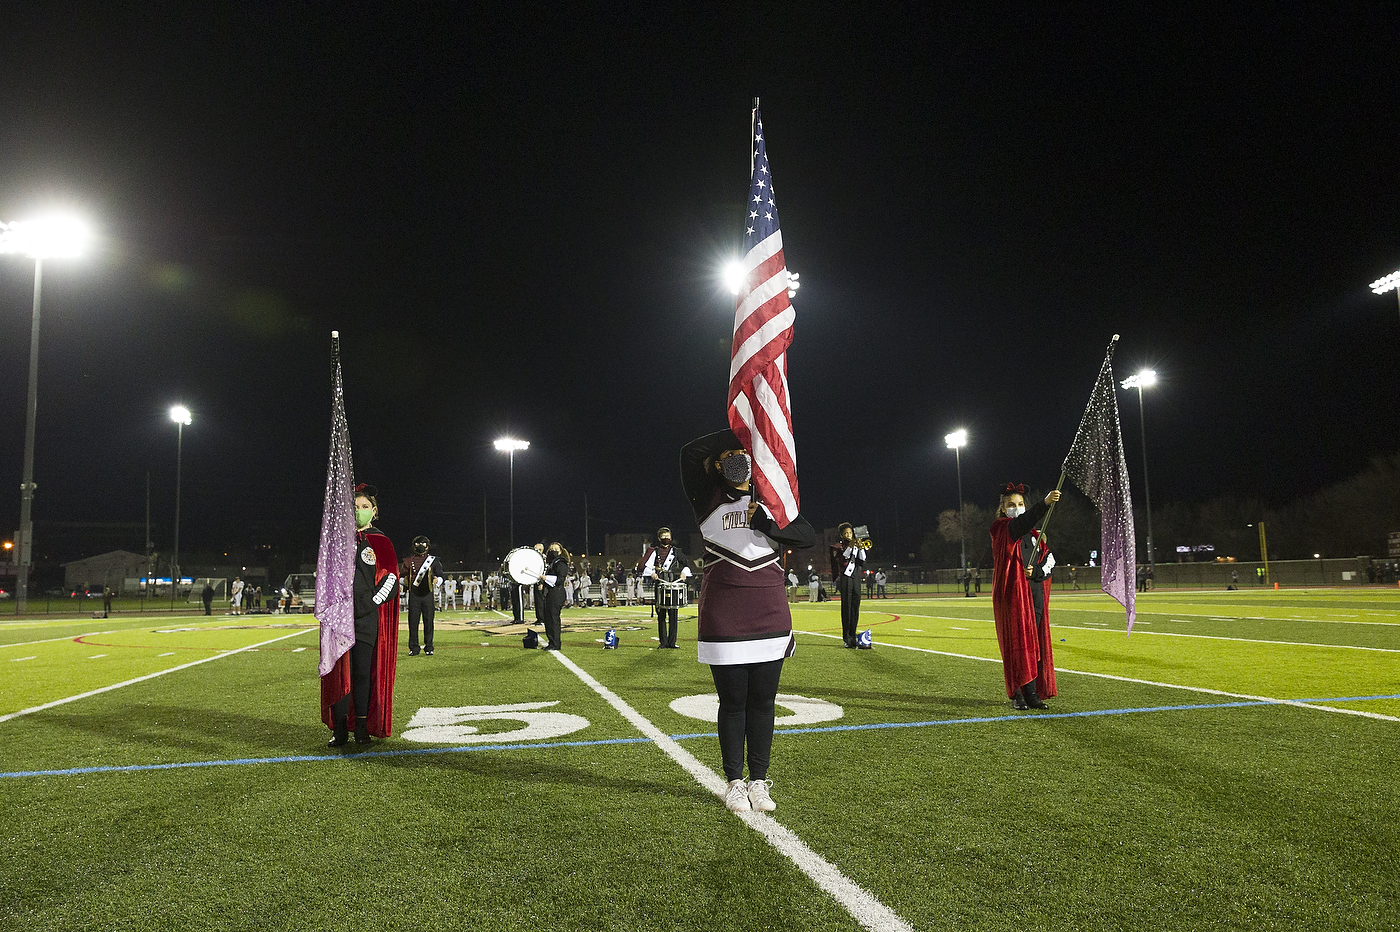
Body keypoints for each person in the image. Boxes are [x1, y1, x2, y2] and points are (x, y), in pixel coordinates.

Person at [682, 429, 816, 813]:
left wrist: (767, 524)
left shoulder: (772, 500)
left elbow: (805, 535)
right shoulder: (706, 497)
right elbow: (688, 453)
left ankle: (759, 780)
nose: (741, 458)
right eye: (731, 454)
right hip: (725, 611)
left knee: (763, 702)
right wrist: (745, 426)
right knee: (733, 702)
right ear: (718, 464)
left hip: (769, 611)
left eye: (746, 453)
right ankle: (734, 782)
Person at [322, 483, 400, 747]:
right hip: (338, 620)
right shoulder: (335, 542)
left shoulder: (381, 541)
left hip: (366, 619)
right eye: (354, 507)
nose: (359, 511)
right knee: (338, 673)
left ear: (374, 511)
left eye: (365, 507)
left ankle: (363, 728)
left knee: (362, 673)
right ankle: (340, 729)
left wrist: (370, 602)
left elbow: (390, 578)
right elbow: (325, 578)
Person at [990, 482, 1060, 711]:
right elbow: (1021, 522)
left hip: (1034, 594)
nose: (1016, 508)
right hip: (1013, 596)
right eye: (1011, 505)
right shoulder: (1002, 528)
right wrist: (1045, 503)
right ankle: (1018, 694)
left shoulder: (1035, 536)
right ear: (1003, 508)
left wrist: (1036, 572)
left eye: (1020, 504)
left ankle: (1032, 693)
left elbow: (1048, 561)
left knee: (1033, 645)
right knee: (1018, 646)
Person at [638, 526, 695, 649]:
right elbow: (644, 566)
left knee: (673, 615)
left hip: (673, 583)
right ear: (659, 538)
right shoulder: (655, 551)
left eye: (668, 537)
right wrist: (651, 573)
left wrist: (684, 572)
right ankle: (663, 642)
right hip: (660, 584)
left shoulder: (676, 551)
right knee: (661, 616)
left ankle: (672, 642)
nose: (666, 539)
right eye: (663, 537)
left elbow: (687, 563)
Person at [400, 535, 441, 656]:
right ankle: (414, 647)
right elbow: (401, 577)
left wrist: (437, 581)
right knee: (413, 622)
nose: (420, 546)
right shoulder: (408, 561)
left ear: (427, 547)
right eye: (418, 544)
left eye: (423, 544)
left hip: (428, 594)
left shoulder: (433, 560)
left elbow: (440, 575)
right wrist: (404, 581)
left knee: (429, 621)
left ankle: (429, 647)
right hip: (414, 595)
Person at [830, 524, 867, 648]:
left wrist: (860, 548)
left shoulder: (856, 545)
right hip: (845, 578)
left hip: (856, 577)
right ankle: (846, 637)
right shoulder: (837, 547)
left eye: (850, 533)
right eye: (845, 533)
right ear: (841, 535)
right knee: (846, 606)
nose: (848, 535)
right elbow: (843, 558)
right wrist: (850, 547)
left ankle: (853, 634)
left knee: (855, 605)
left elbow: (862, 560)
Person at [538, 542, 571, 650]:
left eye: (555, 549)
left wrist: (546, 578)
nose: (553, 551)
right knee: (548, 619)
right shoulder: (552, 563)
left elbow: (560, 579)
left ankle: (556, 643)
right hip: (551, 593)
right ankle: (551, 642)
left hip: (557, 593)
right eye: (551, 549)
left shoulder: (561, 562)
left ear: (560, 551)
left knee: (553, 618)